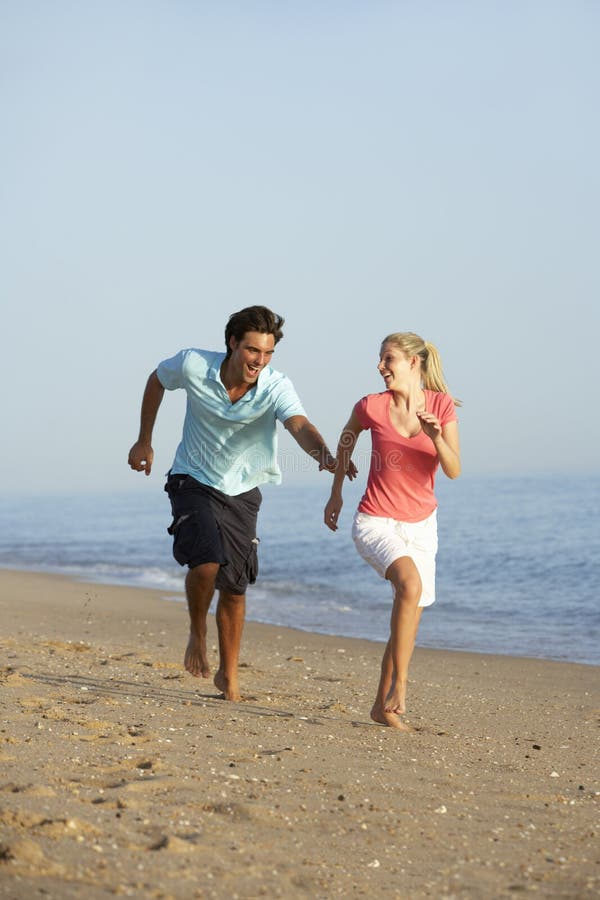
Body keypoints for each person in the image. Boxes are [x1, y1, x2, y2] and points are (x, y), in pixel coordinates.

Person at [128, 305, 350, 702]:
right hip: (192, 477)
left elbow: (299, 424)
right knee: (207, 561)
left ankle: (228, 676)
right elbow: (156, 380)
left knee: (235, 587)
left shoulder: (276, 385)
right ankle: (197, 633)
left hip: (244, 488)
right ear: (232, 344)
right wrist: (145, 439)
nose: (259, 361)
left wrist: (323, 455)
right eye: (252, 351)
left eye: (267, 354)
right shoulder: (193, 364)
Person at [324, 332, 461, 730]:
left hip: (422, 526)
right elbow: (348, 436)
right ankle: (400, 687)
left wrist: (435, 436)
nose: (381, 367)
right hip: (375, 521)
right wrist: (336, 491)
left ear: (413, 363)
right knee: (409, 586)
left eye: (389, 360)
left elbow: (453, 470)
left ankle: (380, 707)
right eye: (381, 360)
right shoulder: (372, 406)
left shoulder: (441, 406)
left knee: (409, 614)